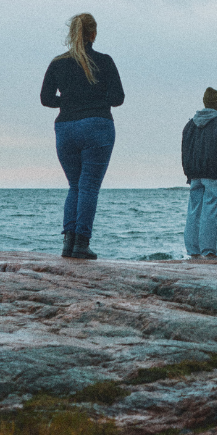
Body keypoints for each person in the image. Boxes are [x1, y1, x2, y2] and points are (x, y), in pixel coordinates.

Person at [40, 13, 125, 260]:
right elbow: (118, 98)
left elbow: (46, 99)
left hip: (65, 127)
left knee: (75, 185)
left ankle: (68, 243)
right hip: (97, 125)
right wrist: (95, 100)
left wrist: (68, 101)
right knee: (88, 186)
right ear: (93, 34)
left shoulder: (58, 63)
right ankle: (81, 244)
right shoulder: (105, 61)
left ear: (72, 34)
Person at [182, 87, 217, 259]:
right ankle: (208, 250)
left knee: (194, 210)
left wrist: (188, 173)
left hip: (195, 173)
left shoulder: (190, 124)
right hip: (214, 174)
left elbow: (185, 150)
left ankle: (193, 250)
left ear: (204, 101)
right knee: (211, 211)